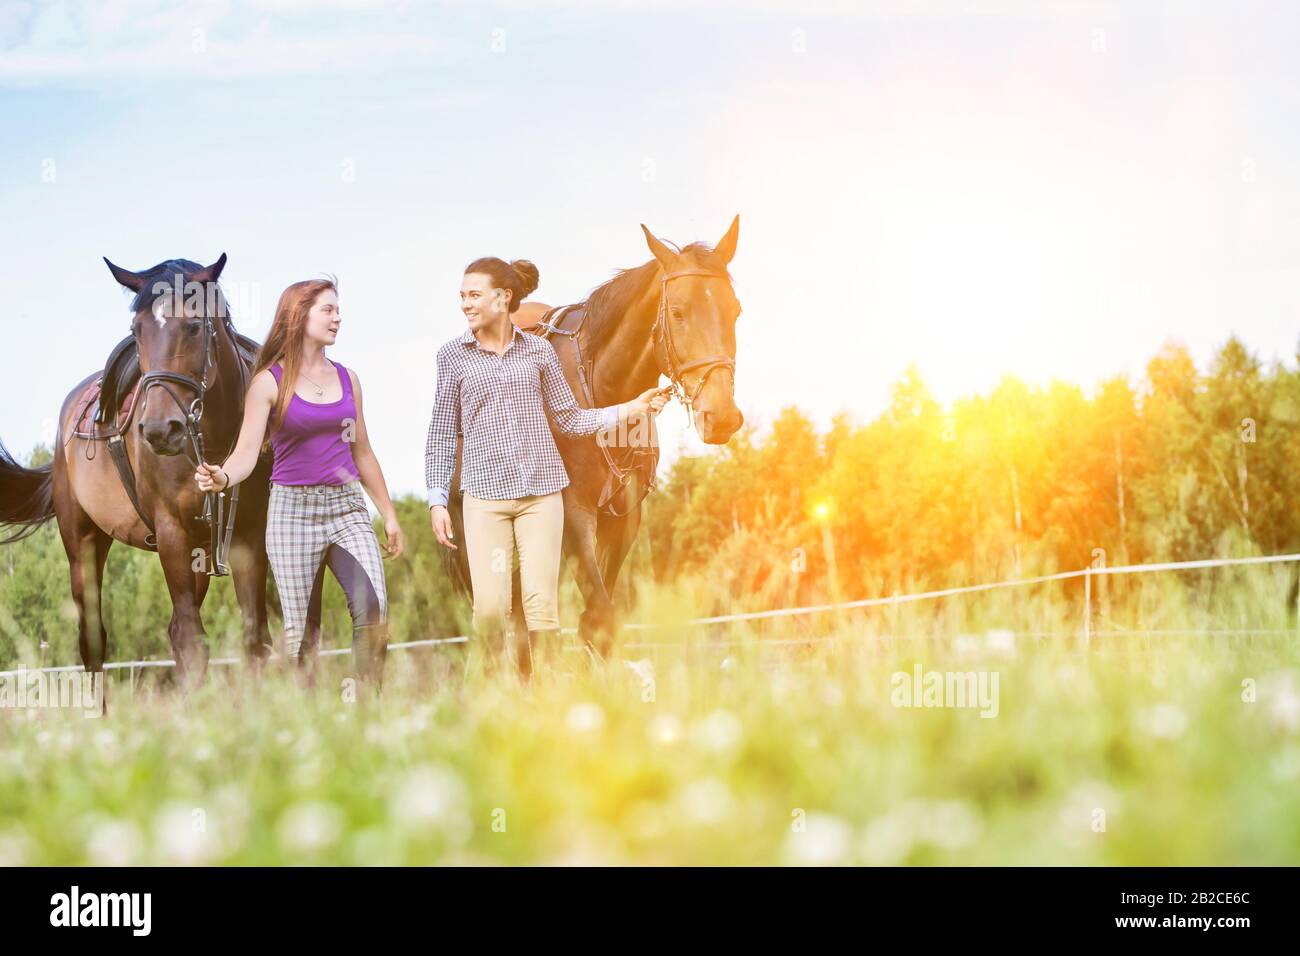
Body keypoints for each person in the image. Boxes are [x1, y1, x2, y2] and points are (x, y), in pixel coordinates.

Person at [424, 257, 667, 678]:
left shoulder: (539, 351)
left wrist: (630, 408)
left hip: (543, 495)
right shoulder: (452, 357)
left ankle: (544, 694)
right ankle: (492, 692)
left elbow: (571, 418)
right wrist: (437, 498)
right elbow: (442, 434)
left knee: (542, 606)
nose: (465, 304)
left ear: (504, 298)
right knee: (490, 607)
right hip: (484, 497)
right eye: (462, 296)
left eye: (474, 295)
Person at [195, 278, 405, 694]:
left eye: (337, 309)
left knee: (372, 610)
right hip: (293, 514)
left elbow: (362, 452)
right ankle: (307, 721)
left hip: (348, 511)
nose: (337, 317)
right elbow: (246, 454)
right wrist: (220, 477)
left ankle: (362, 707)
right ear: (299, 316)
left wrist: (390, 514)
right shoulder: (269, 383)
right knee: (301, 634)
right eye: (328, 309)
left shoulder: (349, 380)